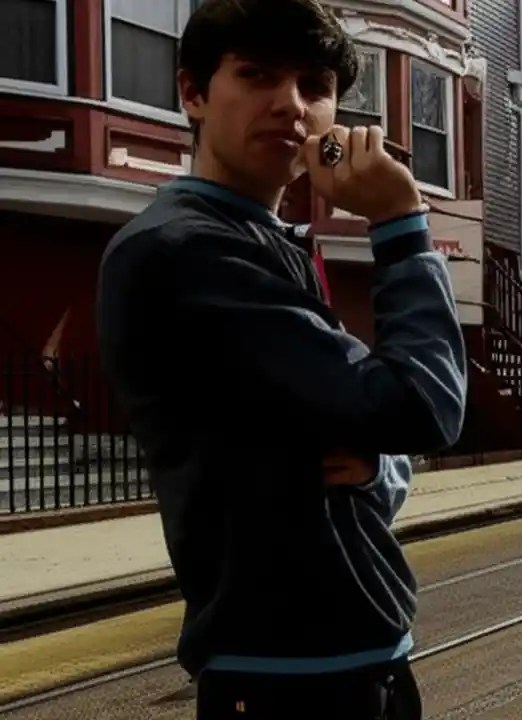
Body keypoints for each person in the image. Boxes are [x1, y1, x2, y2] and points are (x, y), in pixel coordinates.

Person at [94, 0, 467, 717]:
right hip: (287, 678)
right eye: (257, 74)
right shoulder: (185, 251)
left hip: (358, 660)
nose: (289, 105)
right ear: (193, 92)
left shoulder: (263, 241)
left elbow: (385, 439)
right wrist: (400, 226)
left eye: (314, 85)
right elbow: (422, 407)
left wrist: (378, 460)